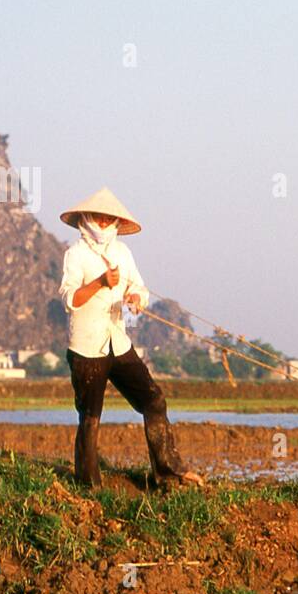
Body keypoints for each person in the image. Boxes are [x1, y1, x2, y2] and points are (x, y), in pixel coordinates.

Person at [57, 187, 205, 490]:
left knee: (153, 400)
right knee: (90, 417)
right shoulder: (76, 254)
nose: (102, 223)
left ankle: (168, 472)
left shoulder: (122, 253)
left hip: (118, 342)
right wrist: (100, 282)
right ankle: (89, 485)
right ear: (86, 219)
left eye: (108, 218)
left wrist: (136, 298)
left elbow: (139, 289)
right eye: (97, 217)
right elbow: (70, 299)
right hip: (87, 348)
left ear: (115, 222)